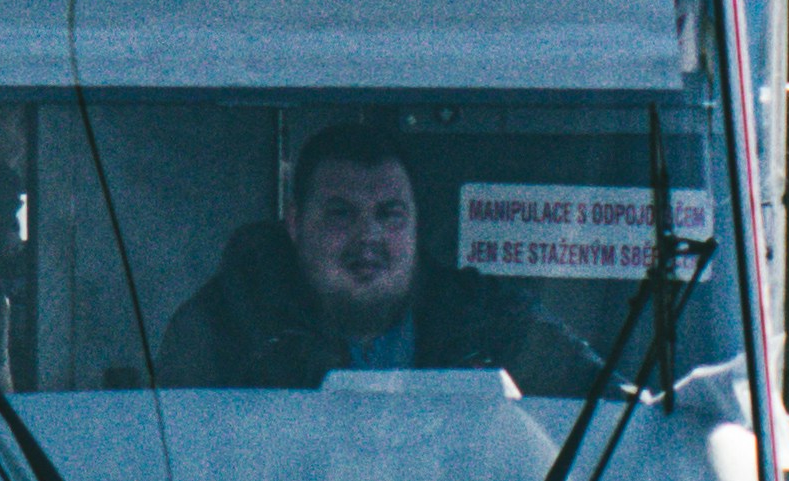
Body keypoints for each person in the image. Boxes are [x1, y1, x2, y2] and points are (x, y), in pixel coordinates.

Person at [167, 123, 596, 395]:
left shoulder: (487, 318)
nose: (368, 237)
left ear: (416, 224)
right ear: (295, 224)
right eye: (341, 214)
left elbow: (608, 404)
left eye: (389, 214)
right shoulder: (224, 329)